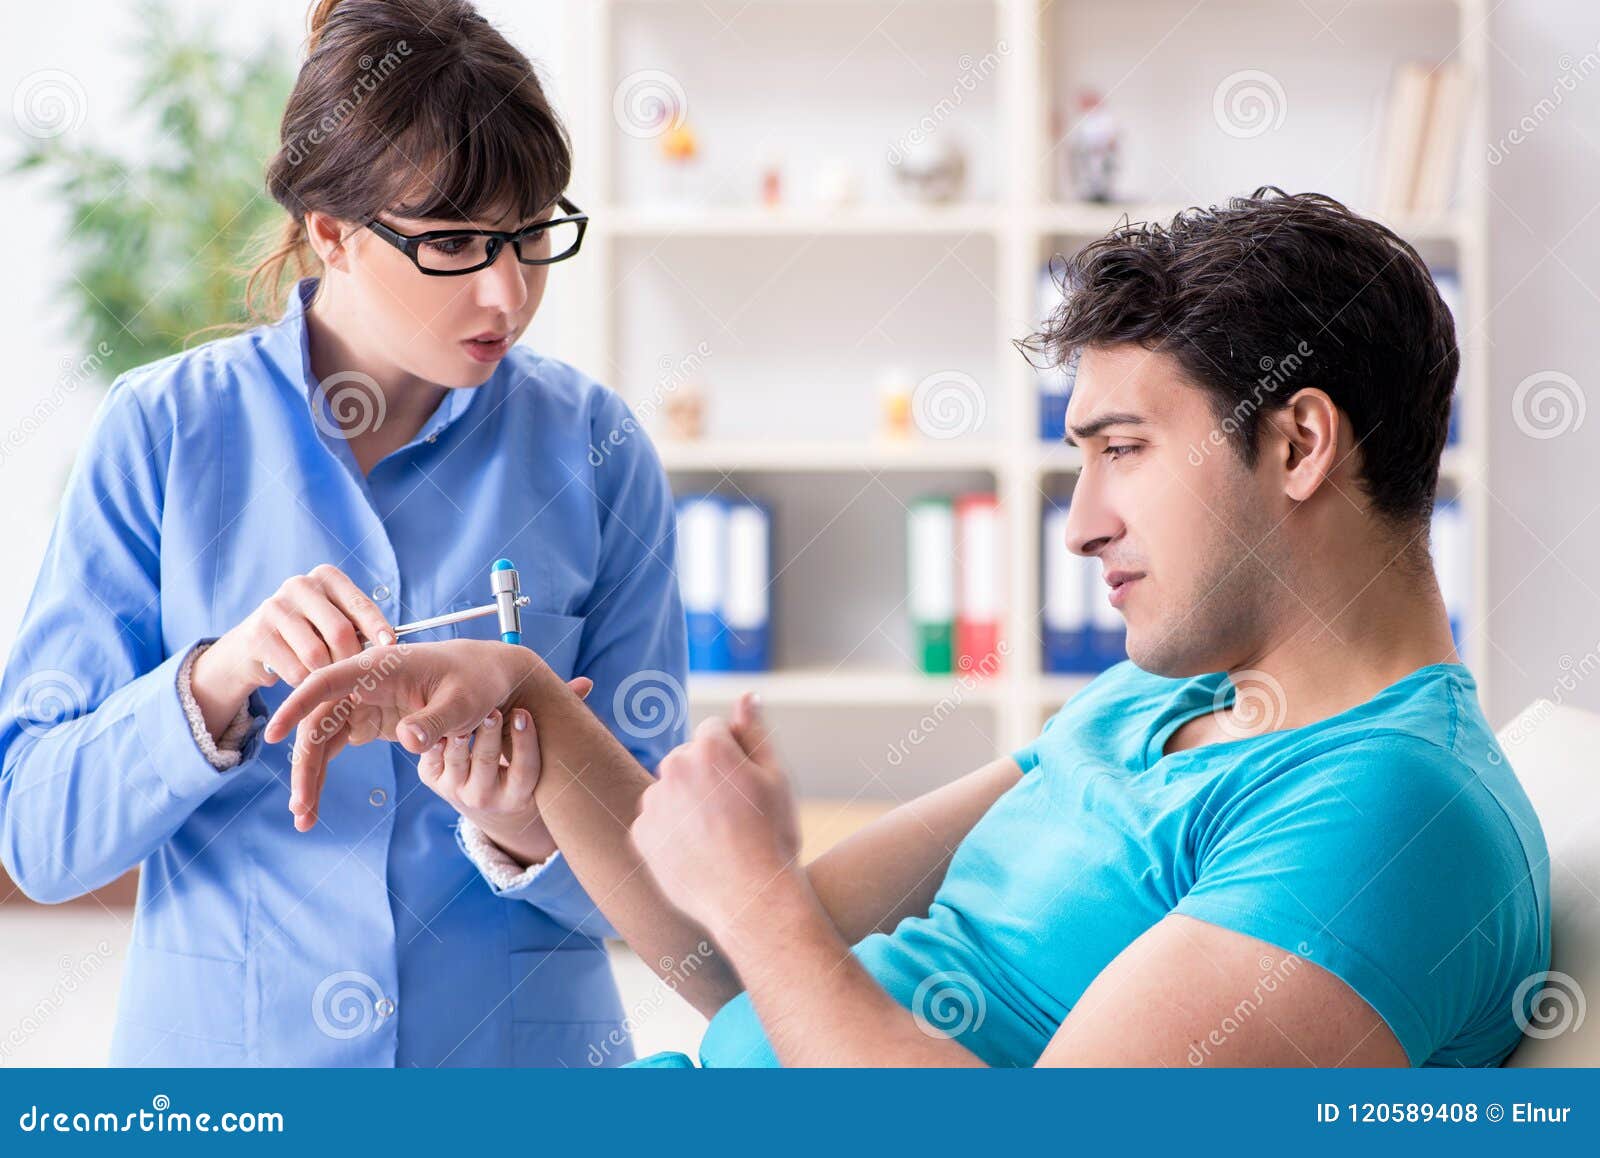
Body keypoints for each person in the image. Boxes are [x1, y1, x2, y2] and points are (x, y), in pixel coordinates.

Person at [269, 189, 1551, 1068]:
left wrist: (761, 896)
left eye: (1123, 451)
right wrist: (527, 703)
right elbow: (737, 958)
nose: (1080, 525)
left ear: (1298, 440)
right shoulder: (1153, 706)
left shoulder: (1387, 808)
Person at [0, 0, 686, 1067]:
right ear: (333, 233)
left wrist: (530, 827)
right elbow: (39, 844)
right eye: (455, 243)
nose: (508, 290)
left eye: (532, 234)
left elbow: (676, 893)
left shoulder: (594, 447)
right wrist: (214, 680)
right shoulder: (164, 432)